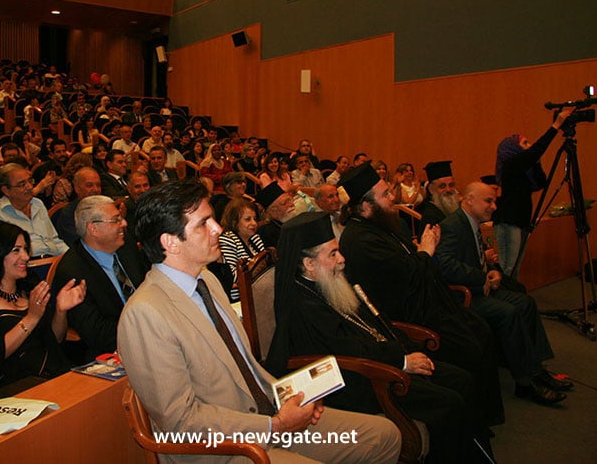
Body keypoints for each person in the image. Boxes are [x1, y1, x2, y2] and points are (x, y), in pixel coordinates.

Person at [116, 179, 401, 463]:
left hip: (267, 417)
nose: (217, 229)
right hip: (223, 449)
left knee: (383, 435)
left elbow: (246, 369)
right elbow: (181, 421)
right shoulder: (145, 313)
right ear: (170, 242)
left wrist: (291, 399)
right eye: (204, 224)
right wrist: (274, 426)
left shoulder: (207, 280)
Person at [267, 212, 491, 463]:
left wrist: (403, 350)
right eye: (332, 254)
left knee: (461, 379)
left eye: (338, 251)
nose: (342, 260)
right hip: (357, 380)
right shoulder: (303, 304)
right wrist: (402, 362)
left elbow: (372, 323)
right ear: (309, 264)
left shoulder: (329, 281)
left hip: (381, 359)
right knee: (448, 403)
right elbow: (346, 350)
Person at [337, 163, 505, 427]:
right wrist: (426, 251)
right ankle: (475, 421)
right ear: (366, 206)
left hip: (424, 303)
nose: (392, 197)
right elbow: (404, 279)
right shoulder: (360, 239)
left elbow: (406, 265)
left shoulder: (380, 226)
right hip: (406, 316)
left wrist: (422, 252)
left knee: (480, 329)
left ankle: (486, 415)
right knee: (469, 345)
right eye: (384, 195)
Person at [436, 182, 572, 405]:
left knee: (526, 302)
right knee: (508, 312)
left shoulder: (473, 223)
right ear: (469, 199)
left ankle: (536, 369)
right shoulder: (452, 225)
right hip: (463, 296)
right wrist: (481, 278)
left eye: (494, 200)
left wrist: (493, 272)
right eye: (488, 201)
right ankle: (526, 382)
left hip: (481, 288)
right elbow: (446, 266)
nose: (494, 206)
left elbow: (478, 258)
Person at [0, 220, 85, 389]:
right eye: (16, 250)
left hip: (53, 372)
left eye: (25, 249)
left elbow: (56, 340)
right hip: (12, 382)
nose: (25, 256)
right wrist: (31, 318)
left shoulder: (29, 286)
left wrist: (61, 311)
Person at [51, 196, 146, 359]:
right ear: (93, 229)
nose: (124, 224)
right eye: (116, 220)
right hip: (113, 350)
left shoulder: (126, 244)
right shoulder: (71, 273)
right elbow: (97, 334)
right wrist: (147, 328)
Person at [494, 107, 575, 277]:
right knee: (508, 266)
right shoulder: (511, 165)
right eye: (525, 143)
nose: (529, 146)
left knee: (516, 267)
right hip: (509, 222)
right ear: (513, 149)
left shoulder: (524, 168)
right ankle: (504, 299)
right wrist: (556, 125)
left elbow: (541, 183)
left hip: (522, 220)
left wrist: (536, 162)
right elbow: (536, 150)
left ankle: (514, 299)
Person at [0, 164, 69, 257]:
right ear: (6, 190)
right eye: (22, 184)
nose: (29, 187)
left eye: (30, 181)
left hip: (51, 261)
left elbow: (55, 240)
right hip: (22, 265)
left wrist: (69, 256)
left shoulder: (38, 204)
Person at [218, 198, 266, 298]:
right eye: (248, 219)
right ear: (234, 222)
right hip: (240, 299)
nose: (254, 223)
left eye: (255, 219)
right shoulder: (227, 240)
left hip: (260, 293)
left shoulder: (255, 238)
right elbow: (234, 277)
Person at [53, 167, 104, 247]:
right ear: (77, 189)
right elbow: (79, 244)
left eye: (98, 185)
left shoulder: (106, 209)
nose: (96, 189)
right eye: (89, 185)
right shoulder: (69, 214)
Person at [415, 160, 460, 233]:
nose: (448, 190)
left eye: (451, 185)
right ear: (431, 189)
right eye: (442, 186)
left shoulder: (456, 208)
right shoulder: (430, 216)